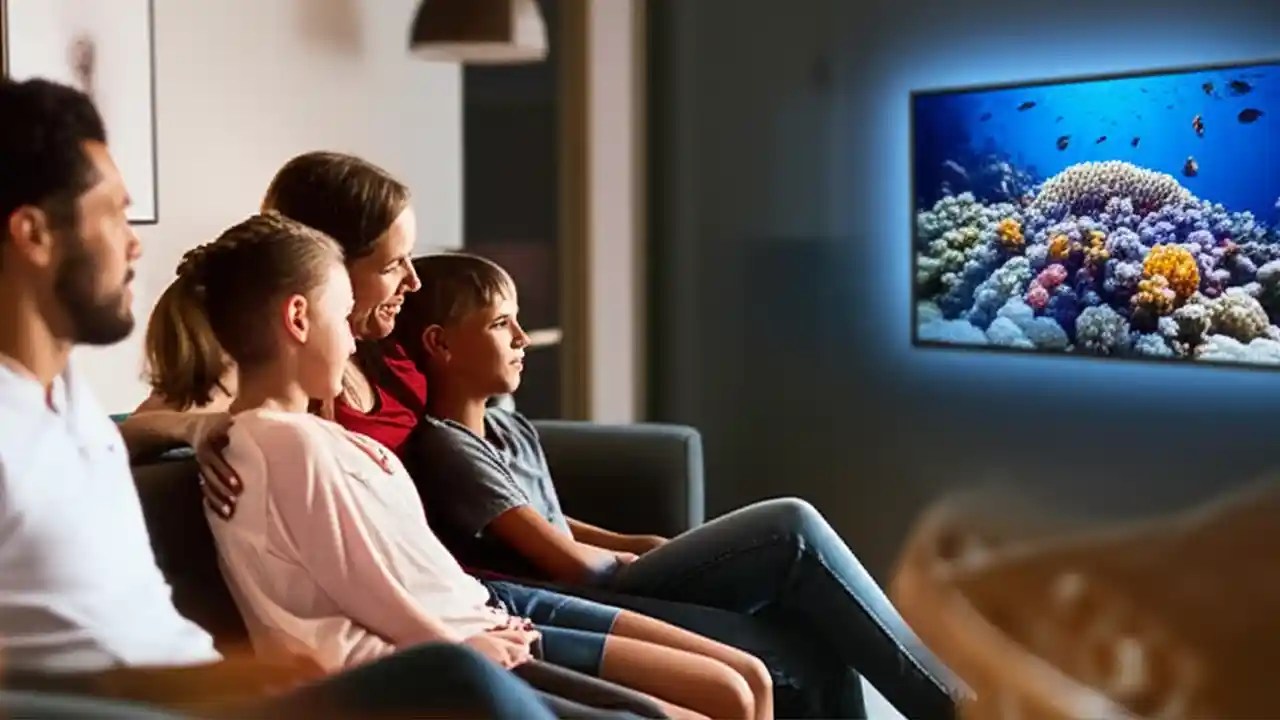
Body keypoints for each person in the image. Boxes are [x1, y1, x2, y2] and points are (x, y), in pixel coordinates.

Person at [123, 150, 864, 717]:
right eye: (391, 265)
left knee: (788, 637)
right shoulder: (269, 408)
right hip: (476, 595)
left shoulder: (387, 344)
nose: (410, 282)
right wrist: (205, 424)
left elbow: (481, 372)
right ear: (323, 286)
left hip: (472, 593)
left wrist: (615, 541)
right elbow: (145, 425)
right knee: (784, 553)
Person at [0, 76, 558, 720]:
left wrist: (196, 431)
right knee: (462, 680)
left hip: (212, 689)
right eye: (115, 214)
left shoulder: (68, 407)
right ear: (34, 234)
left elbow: (136, 624)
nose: (135, 242)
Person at [392, 253, 976, 720]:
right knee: (791, 528)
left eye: (518, 318)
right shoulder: (447, 448)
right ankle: (961, 711)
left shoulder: (509, 425)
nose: (522, 336)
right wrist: (639, 557)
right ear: (440, 345)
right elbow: (566, 564)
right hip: (580, 600)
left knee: (816, 632)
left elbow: (551, 519)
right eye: (500, 324)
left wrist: (638, 540)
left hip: (603, 574)